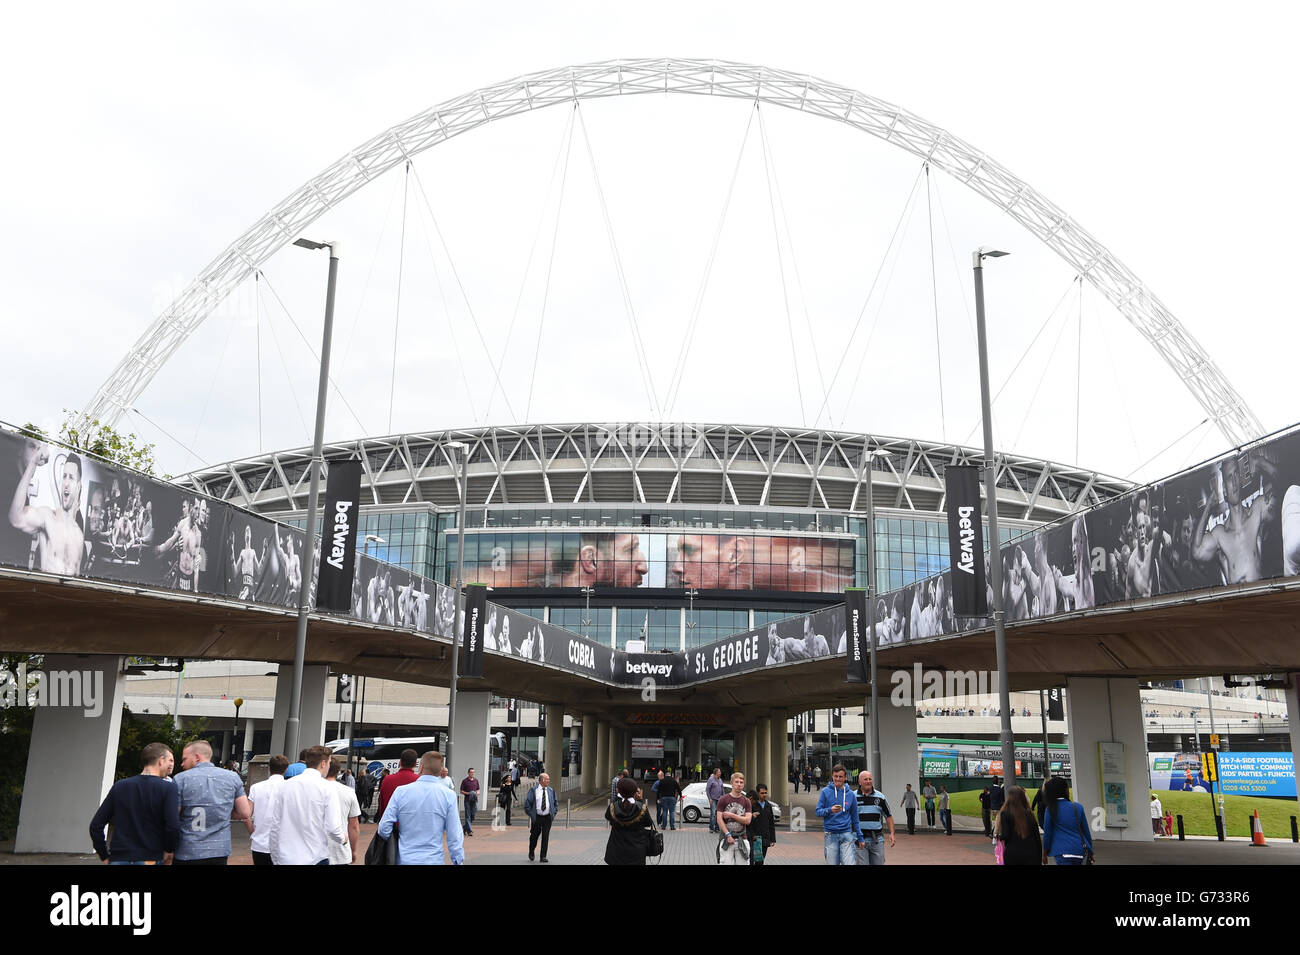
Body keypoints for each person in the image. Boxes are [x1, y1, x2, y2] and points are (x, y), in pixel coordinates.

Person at [89, 742, 179, 865]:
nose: (171, 765)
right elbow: (173, 826)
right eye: (170, 760)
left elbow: (96, 825)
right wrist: (169, 850)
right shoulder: (168, 788)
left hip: (119, 857)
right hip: (150, 856)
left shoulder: (120, 786)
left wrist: (104, 855)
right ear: (161, 760)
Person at [377, 750, 465, 865]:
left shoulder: (401, 792)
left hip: (405, 859)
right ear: (440, 771)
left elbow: (383, 828)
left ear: (421, 767)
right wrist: (457, 860)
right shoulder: (448, 795)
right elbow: (454, 834)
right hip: (434, 860)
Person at [9, 444, 85, 575]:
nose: (65, 483)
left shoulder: (78, 535)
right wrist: (33, 463)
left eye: (71, 477)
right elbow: (16, 518)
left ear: (78, 487)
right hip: (44, 590)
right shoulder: (48, 517)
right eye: (64, 476)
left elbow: (77, 576)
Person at [174, 740, 252, 865]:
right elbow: (245, 812)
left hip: (187, 850)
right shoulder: (232, 777)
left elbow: (173, 816)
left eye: (184, 759)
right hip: (219, 851)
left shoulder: (180, 779)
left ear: (197, 757)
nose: (182, 764)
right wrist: (226, 811)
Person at [267, 746, 348, 865]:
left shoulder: (284, 786)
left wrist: (275, 857)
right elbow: (333, 828)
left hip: (286, 857)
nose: (329, 766)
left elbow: (275, 826)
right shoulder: (327, 788)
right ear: (323, 763)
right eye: (329, 762)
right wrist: (343, 838)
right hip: (315, 857)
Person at [815, 764, 863, 865]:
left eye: (840, 777)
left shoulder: (851, 795)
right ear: (832, 776)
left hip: (847, 834)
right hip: (830, 834)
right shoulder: (825, 792)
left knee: (850, 863)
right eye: (835, 776)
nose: (838, 779)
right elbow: (818, 812)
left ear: (845, 778)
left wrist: (860, 837)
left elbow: (855, 818)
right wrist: (830, 810)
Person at [1041, 776, 1095, 866]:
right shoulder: (1077, 807)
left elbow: (1048, 834)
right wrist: (1091, 851)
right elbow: (1086, 832)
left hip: (1062, 852)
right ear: (1065, 790)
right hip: (1080, 851)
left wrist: (1045, 852)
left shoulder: (1050, 809)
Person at [247, 754, 289, 865]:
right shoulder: (290, 788)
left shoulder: (256, 787)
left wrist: (254, 833)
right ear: (286, 769)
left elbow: (246, 816)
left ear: (269, 768)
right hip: (283, 844)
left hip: (259, 844)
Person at [605, 776, 653, 865]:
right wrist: (641, 800)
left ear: (619, 791)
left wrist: (618, 797)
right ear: (635, 792)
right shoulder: (642, 807)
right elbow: (648, 823)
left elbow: (608, 817)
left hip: (616, 851)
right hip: (636, 850)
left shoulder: (612, 807)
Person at [855, 770, 895, 865]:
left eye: (870, 779)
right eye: (865, 779)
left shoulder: (880, 797)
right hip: (859, 840)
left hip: (877, 840)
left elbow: (888, 816)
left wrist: (892, 833)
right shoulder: (852, 796)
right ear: (859, 782)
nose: (868, 781)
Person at [996, 785, 1043, 865]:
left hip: (1013, 854)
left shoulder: (1005, 813)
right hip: (1031, 853)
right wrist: (1040, 856)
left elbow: (1006, 835)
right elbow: (1037, 837)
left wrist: (999, 836)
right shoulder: (1029, 814)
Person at [326, 758, 361, 865]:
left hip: (315, 851)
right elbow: (354, 825)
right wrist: (353, 850)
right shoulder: (349, 792)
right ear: (338, 771)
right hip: (340, 849)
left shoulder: (313, 789)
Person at [716, 772, 753, 864]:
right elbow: (719, 819)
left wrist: (731, 815)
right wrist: (728, 834)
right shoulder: (723, 799)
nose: (739, 784)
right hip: (726, 839)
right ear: (732, 783)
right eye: (736, 782)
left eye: (741, 782)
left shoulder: (746, 801)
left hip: (742, 839)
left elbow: (748, 820)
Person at [524, 772, 557, 862]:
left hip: (547, 818)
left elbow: (555, 803)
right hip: (537, 817)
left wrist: (553, 813)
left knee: (545, 837)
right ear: (541, 780)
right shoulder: (533, 790)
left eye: (548, 779)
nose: (548, 781)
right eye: (547, 779)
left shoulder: (551, 790)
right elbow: (527, 805)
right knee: (534, 836)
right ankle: (531, 851)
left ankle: (543, 856)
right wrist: (532, 815)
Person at [377, 748, 419, 817]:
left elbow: (382, 804)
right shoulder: (419, 780)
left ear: (400, 762)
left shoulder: (387, 779)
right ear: (415, 764)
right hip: (411, 824)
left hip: (391, 823)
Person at [747, 783, 777, 866]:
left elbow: (771, 823)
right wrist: (752, 834)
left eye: (765, 793)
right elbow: (748, 822)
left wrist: (772, 839)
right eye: (762, 793)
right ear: (757, 793)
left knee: (760, 861)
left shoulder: (768, 806)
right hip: (755, 838)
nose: (764, 795)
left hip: (765, 838)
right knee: (752, 860)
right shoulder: (753, 805)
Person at [460, 767, 480, 836]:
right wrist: (469, 793)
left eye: (473, 772)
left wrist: (477, 793)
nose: (472, 773)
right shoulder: (464, 781)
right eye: (471, 772)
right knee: (467, 815)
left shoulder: (476, 780)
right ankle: (469, 831)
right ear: (468, 773)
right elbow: (461, 791)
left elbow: (478, 789)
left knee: (473, 815)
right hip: (467, 800)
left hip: (474, 800)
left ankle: (465, 827)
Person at [705, 767, 725, 833]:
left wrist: (723, 797)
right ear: (716, 773)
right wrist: (709, 798)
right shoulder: (711, 779)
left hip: (719, 799)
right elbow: (707, 789)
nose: (720, 773)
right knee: (713, 813)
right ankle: (711, 827)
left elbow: (722, 789)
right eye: (719, 772)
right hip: (713, 799)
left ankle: (717, 828)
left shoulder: (720, 780)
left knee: (718, 814)